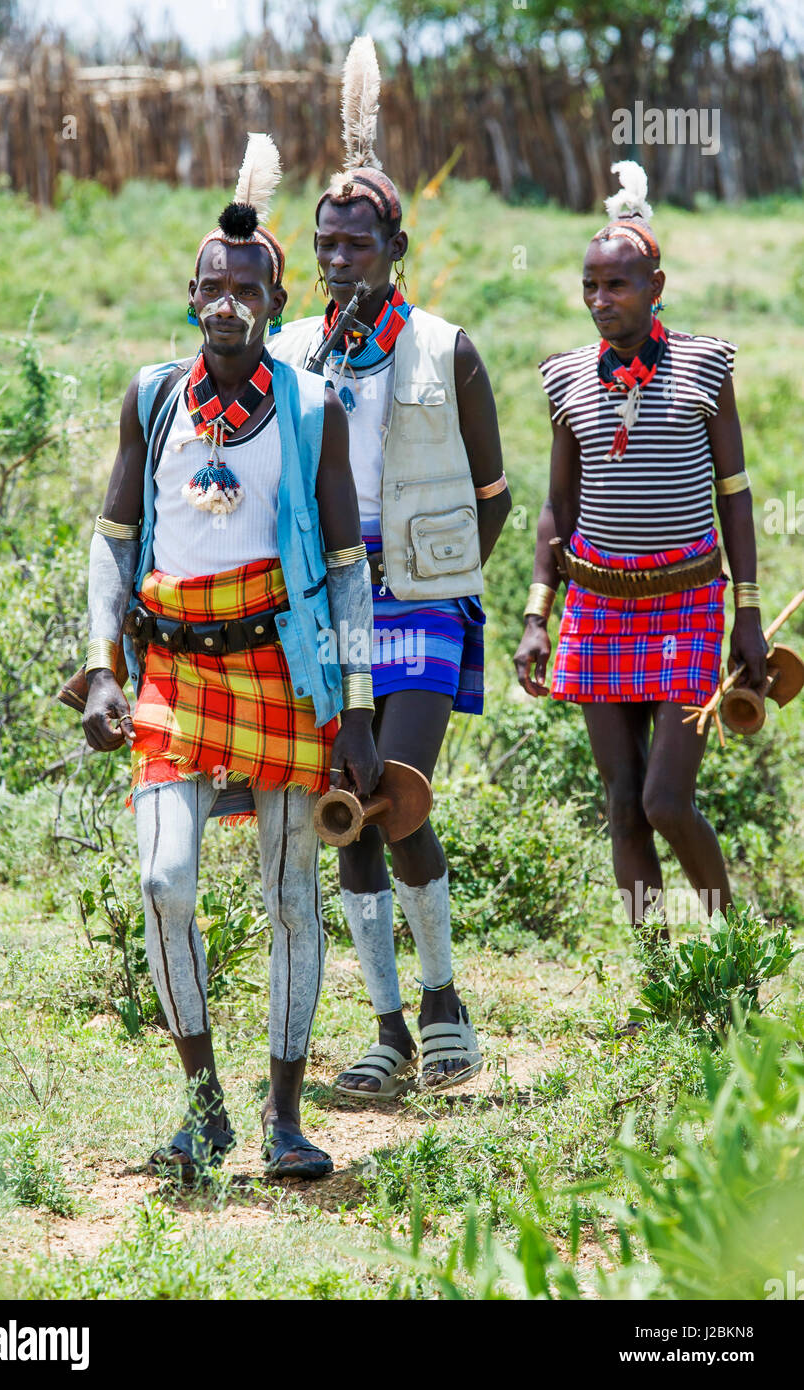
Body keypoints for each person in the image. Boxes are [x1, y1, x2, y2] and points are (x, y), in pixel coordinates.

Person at [81, 133, 380, 1180]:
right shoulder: (152, 397)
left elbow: (346, 569)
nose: (228, 301)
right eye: (213, 283)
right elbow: (112, 541)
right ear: (193, 293)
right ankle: (202, 1105)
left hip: (283, 676)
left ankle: (283, 1118)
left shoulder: (311, 410)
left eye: (248, 285)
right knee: (165, 879)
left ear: (275, 294)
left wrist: (358, 709)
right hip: (170, 673)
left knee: (290, 897)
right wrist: (103, 663)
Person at [270, 38, 511, 1096]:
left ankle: (444, 995)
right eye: (324, 244)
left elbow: (493, 497)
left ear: (392, 246)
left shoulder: (445, 348)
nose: (337, 261)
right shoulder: (286, 356)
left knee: (395, 791)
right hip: (322, 601)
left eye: (356, 244)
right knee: (342, 805)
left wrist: (439, 586)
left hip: (417, 595)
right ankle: (385, 1024)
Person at [515, 161, 767, 951]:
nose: (600, 302)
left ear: (655, 285)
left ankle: (733, 948)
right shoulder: (565, 380)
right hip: (596, 605)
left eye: (617, 286)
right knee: (623, 805)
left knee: (665, 800)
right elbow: (558, 507)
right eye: (589, 286)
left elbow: (734, 492)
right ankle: (658, 970)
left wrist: (749, 614)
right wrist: (536, 614)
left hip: (689, 602)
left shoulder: (705, 365)